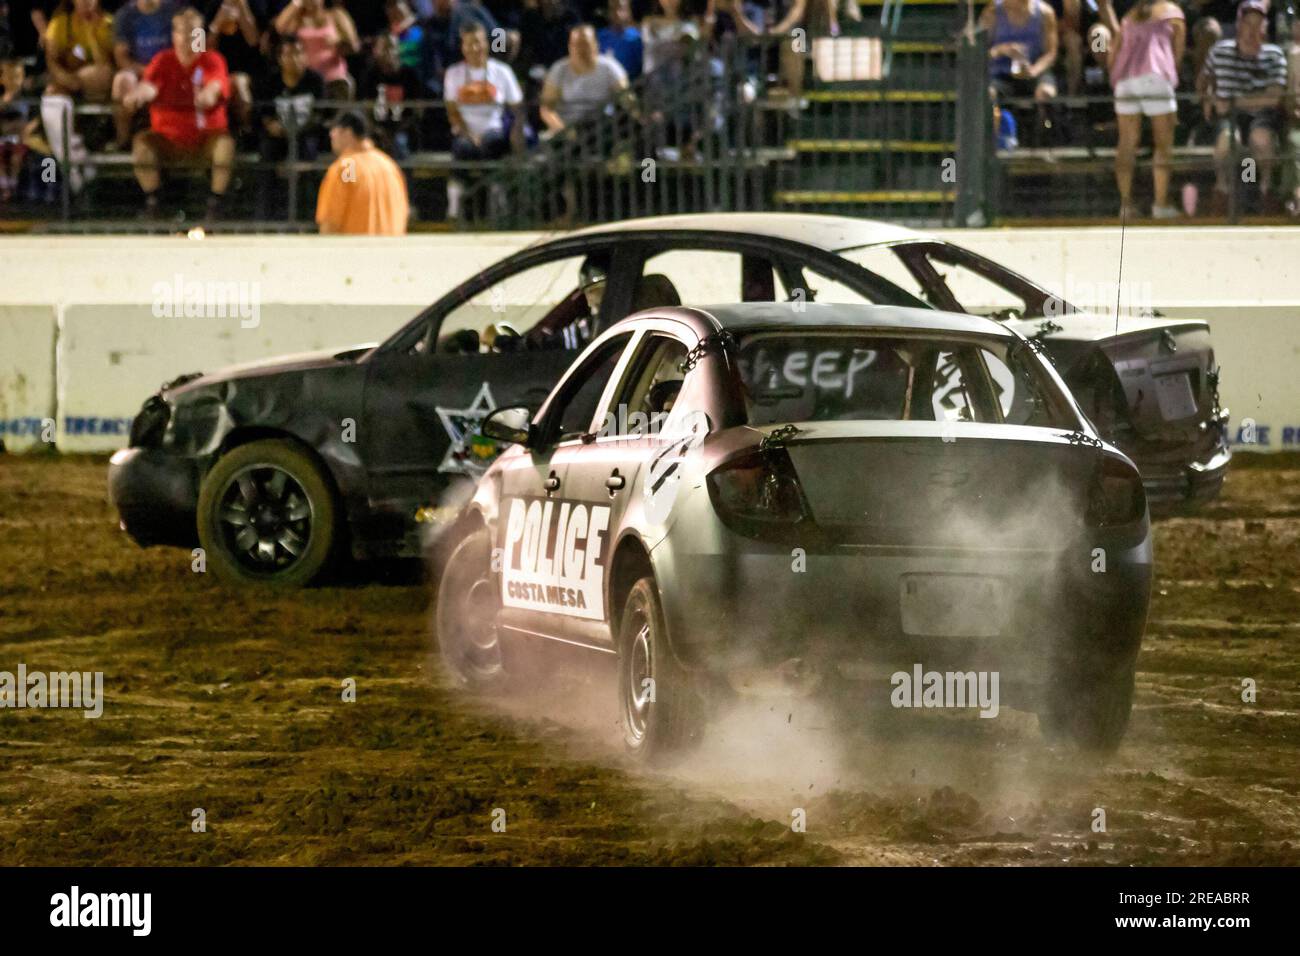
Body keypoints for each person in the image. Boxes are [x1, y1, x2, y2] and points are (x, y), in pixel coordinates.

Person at [124, 6, 235, 219]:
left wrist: (208, 95)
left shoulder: (212, 59)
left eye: (194, 32)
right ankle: (154, 202)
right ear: (174, 35)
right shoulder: (163, 61)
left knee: (225, 145)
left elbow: (216, 85)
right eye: (183, 32)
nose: (188, 37)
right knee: (142, 143)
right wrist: (138, 95)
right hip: (168, 141)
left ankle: (215, 205)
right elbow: (149, 86)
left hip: (205, 140)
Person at [1098, 0, 1185, 219]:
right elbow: (1177, 56)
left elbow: (1113, 53)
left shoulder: (1129, 16)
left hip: (1126, 81)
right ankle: (1161, 205)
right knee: (1163, 145)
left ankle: (1126, 206)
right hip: (1156, 77)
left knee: (1126, 143)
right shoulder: (1174, 13)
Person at [1199, 0, 1287, 214]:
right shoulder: (1220, 51)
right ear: (1239, 25)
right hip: (1229, 116)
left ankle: (1265, 190)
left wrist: (1232, 101)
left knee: (1260, 139)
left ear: (1265, 28)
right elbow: (1203, 80)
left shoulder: (1274, 55)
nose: (1252, 29)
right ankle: (1222, 190)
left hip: (1262, 116)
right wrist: (1208, 98)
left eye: (1258, 24)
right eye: (1248, 23)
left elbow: (1273, 98)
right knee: (1227, 142)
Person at [443, 19, 523, 219]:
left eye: (478, 42)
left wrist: (516, 132)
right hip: (466, 132)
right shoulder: (453, 73)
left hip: (494, 130)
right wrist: (468, 133)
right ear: (462, 47)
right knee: (461, 149)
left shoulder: (502, 71)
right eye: (469, 43)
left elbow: (517, 108)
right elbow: (452, 110)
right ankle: (453, 208)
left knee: (493, 146)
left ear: (487, 44)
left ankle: (498, 205)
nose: (474, 48)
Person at [255, 33, 323, 215]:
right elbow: (265, 116)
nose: (295, 59)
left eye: (299, 53)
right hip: (278, 137)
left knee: (309, 151)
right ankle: (264, 217)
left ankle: (309, 214)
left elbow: (320, 116)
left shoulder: (315, 81)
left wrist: (298, 130)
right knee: (267, 152)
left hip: (305, 134)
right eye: (290, 54)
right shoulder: (270, 82)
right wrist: (274, 127)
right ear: (280, 59)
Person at [315, 109, 409, 234]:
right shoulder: (389, 166)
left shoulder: (348, 168)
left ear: (347, 132)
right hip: (392, 249)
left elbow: (330, 222)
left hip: (356, 250)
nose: (331, 135)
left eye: (334, 130)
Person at [540, 22, 628, 132]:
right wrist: (562, 130)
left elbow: (626, 98)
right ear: (569, 47)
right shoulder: (559, 69)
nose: (581, 49)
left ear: (595, 45)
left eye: (585, 44)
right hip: (567, 128)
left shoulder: (610, 67)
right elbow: (547, 109)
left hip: (601, 128)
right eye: (576, 44)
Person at [111, 0, 176, 149]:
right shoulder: (124, 15)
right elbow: (121, 57)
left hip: (169, 73)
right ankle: (123, 142)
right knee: (122, 80)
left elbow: (198, 46)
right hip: (139, 72)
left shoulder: (176, 11)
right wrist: (148, 72)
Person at [273, 0, 359, 100]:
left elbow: (354, 45)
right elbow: (279, 28)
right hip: (308, 82)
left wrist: (338, 42)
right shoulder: (297, 19)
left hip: (334, 79)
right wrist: (296, 3)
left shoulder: (335, 15)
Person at [597, 0, 642, 80]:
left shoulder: (637, 39)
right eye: (613, 9)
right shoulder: (599, 37)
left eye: (621, 9)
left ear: (629, 11)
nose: (617, 13)